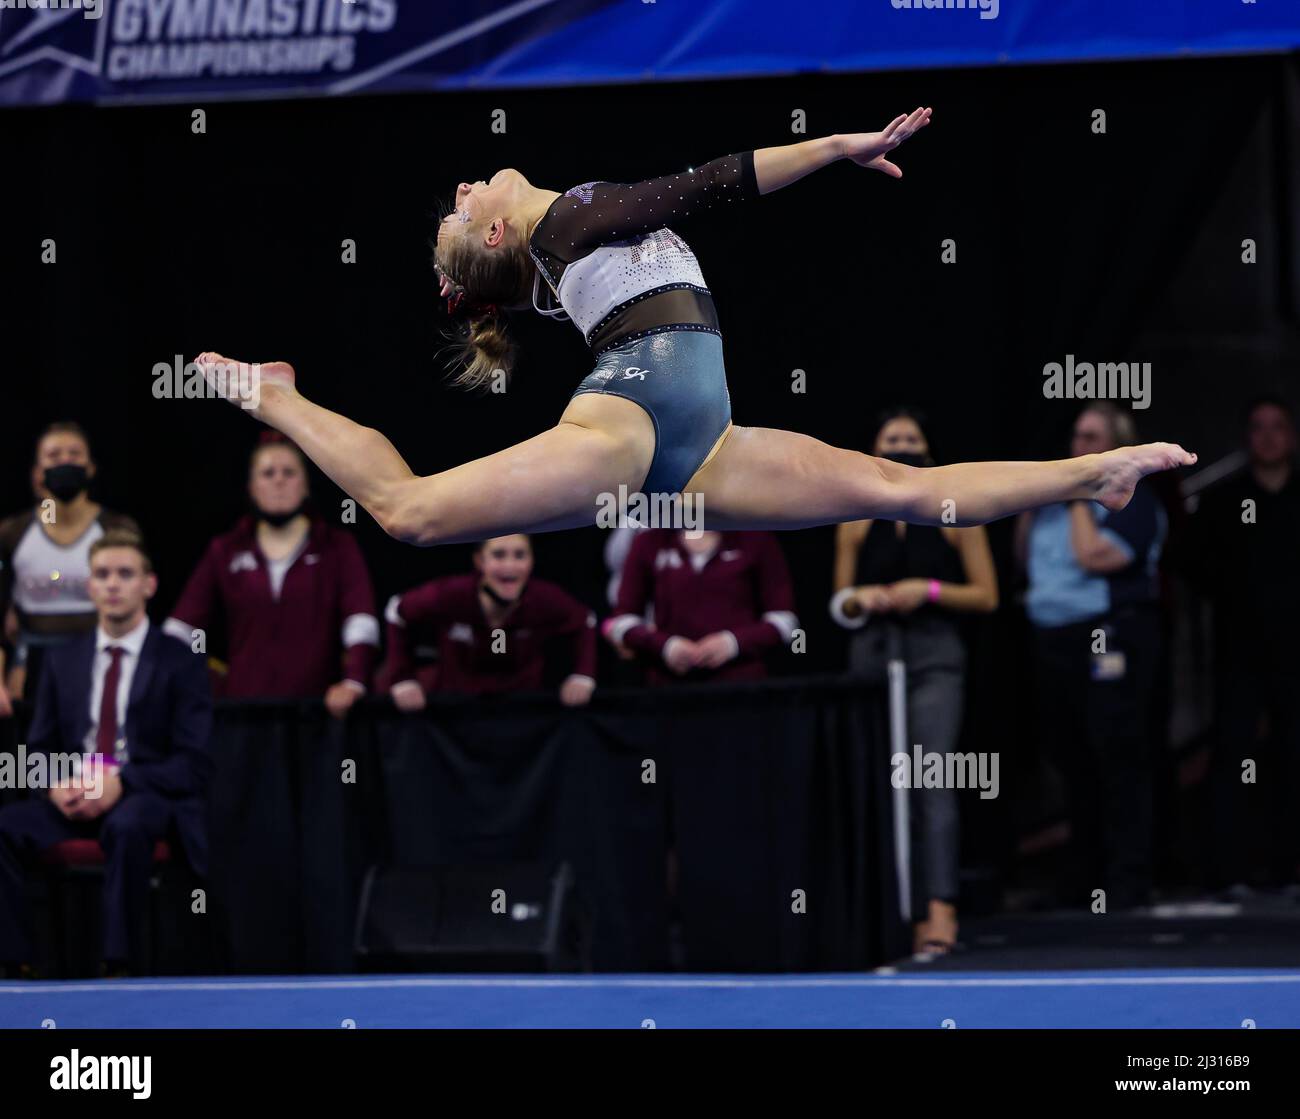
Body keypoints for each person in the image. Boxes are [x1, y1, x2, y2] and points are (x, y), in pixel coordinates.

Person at [194, 108, 1193, 555]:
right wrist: (841, 146)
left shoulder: (545, 258)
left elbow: (495, 287)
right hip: (625, 425)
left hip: (700, 447)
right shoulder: (565, 217)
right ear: (498, 229)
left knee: (901, 491)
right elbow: (715, 181)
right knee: (406, 514)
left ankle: (1089, 476)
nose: (462, 185)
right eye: (463, 206)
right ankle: (276, 395)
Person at [0, 531, 213, 978]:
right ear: (90, 586)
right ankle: (13, 965)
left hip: (144, 795)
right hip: (74, 795)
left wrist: (123, 783)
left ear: (149, 585)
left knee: (128, 824)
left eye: (125, 574)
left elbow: (194, 763)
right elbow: (38, 747)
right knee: (5, 826)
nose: (113, 584)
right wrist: (56, 785)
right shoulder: (62, 660)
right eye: (102, 575)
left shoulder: (181, 660)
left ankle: (118, 966)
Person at [830, 408, 997, 956]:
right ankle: (886, 911)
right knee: (878, 783)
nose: (901, 446)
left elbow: (986, 595)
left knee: (931, 779)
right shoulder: (852, 514)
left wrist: (924, 590)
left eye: (911, 439)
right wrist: (864, 599)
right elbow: (840, 601)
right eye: (891, 439)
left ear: (927, 450)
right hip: (874, 655)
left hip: (933, 656)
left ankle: (939, 908)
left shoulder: (954, 510)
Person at [1015, 403, 1168, 910]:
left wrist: (1082, 493)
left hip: (1108, 636)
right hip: (1051, 640)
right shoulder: (1052, 504)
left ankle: (1128, 879)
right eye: (1076, 437)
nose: (1080, 447)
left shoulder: (1135, 504)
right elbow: (1024, 560)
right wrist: (1034, 497)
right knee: (1070, 757)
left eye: (1093, 438)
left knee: (1117, 753)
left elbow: (1092, 557)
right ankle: (1083, 877)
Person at [163, 434, 379, 716]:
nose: (279, 480)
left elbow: (361, 620)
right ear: (252, 488)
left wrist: (354, 681)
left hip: (317, 715)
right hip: (245, 716)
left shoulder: (336, 546)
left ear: (305, 486)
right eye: (268, 473)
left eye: (289, 472)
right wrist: (199, 684)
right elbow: (180, 629)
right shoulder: (226, 550)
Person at [1189, 397, 1300, 894]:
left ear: (1292, 436)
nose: (1270, 437)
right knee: (1235, 757)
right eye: (1260, 428)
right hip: (1241, 649)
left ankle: (1291, 869)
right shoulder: (1224, 501)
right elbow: (1198, 568)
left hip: (1296, 652)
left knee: (1292, 755)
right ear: (1247, 438)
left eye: (1279, 427)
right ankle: (1230, 871)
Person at [0, 422, 140, 717]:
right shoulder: (13, 532)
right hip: (30, 667)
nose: (65, 462)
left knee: (98, 758)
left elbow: (138, 605)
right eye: (54, 456)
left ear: (90, 468)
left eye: (74, 454)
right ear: (38, 473)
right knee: (34, 756)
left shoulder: (116, 529)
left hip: (100, 660)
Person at [380, 534, 596, 708]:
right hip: (453, 715)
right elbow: (396, 611)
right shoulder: (453, 594)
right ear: (479, 561)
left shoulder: (543, 599)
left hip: (521, 716)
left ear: (532, 561)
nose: (510, 566)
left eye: (520, 555)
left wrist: (583, 676)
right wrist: (401, 677)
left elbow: (586, 620)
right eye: (499, 555)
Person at [604, 529, 797, 684]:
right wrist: (665, 646)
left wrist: (733, 643)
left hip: (741, 689)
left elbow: (786, 622)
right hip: (668, 691)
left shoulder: (754, 538)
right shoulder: (650, 541)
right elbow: (621, 621)